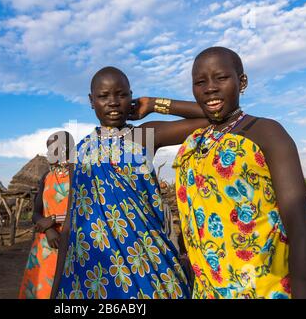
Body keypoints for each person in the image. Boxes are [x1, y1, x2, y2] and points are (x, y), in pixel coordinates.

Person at [52, 66, 210, 299]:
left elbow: (212, 115)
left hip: (150, 262)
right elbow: (71, 221)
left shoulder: (145, 135)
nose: (113, 102)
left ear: (132, 97)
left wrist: (155, 104)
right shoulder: (81, 152)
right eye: (103, 96)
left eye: (121, 95)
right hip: (92, 268)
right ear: (91, 101)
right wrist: (56, 287)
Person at [169, 47, 306, 298]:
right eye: (200, 82)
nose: (210, 88)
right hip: (207, 289)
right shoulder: (197, 139)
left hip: (264, 287)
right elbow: (146, 135)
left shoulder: (266, 132)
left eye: (221, 78)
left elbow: (300, 227)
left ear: (242, 81)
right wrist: (152, 104)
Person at [19, 131, 73, 299]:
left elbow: (84, 208)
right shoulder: (46, 176)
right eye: (48, 148)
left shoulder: (79, 174)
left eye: (54, 148)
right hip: (46, 243)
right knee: (40, 290)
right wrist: (49, 229)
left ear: (66, 149)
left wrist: (55, 219)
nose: (49, 152)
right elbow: (36, 212)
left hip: (72, 239)